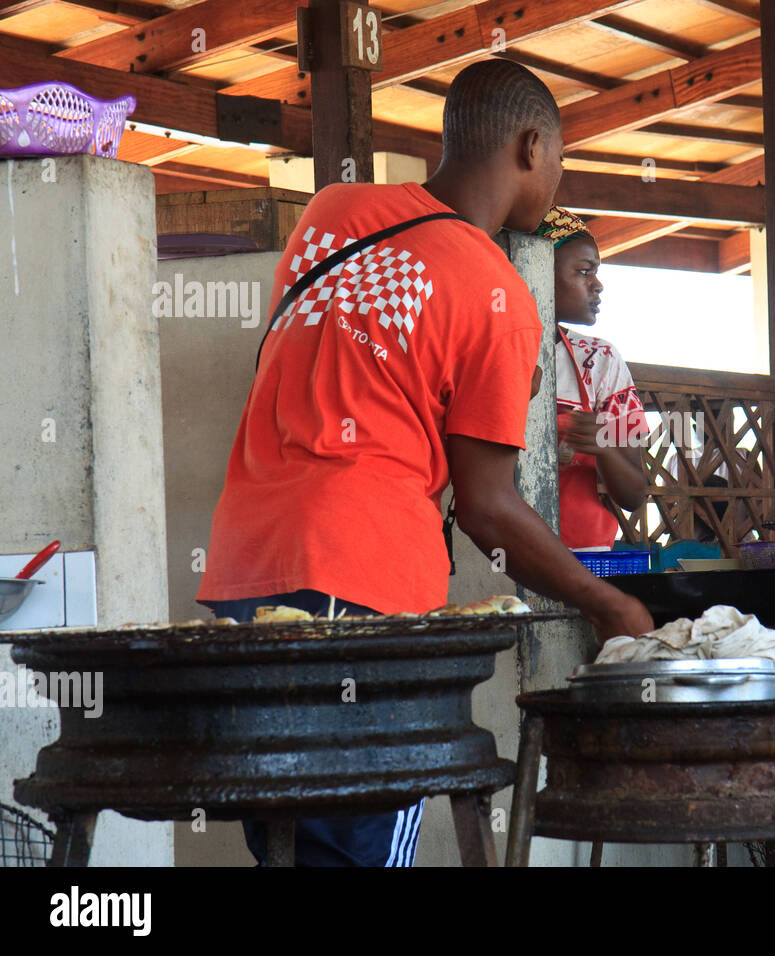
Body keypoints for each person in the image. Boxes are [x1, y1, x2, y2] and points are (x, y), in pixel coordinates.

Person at [195, 59, 652, 866]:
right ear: (529, 145)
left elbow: (357, 370)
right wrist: (607, 605)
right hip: (361, 585)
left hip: (245, 570)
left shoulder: (333, 212)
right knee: (354, 848)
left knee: (285, 840)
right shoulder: (498, 295)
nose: (555, 178)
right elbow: (487, 507)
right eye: (559, 161)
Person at [535, 206, 649, 548]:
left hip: (586, 557)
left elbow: (634, 494)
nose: (597, 286)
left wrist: (604, 448)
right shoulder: (488, 349)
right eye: (584, 272)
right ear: (536, 272)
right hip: (505, 558)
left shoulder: (599, 360)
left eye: (595, 272)